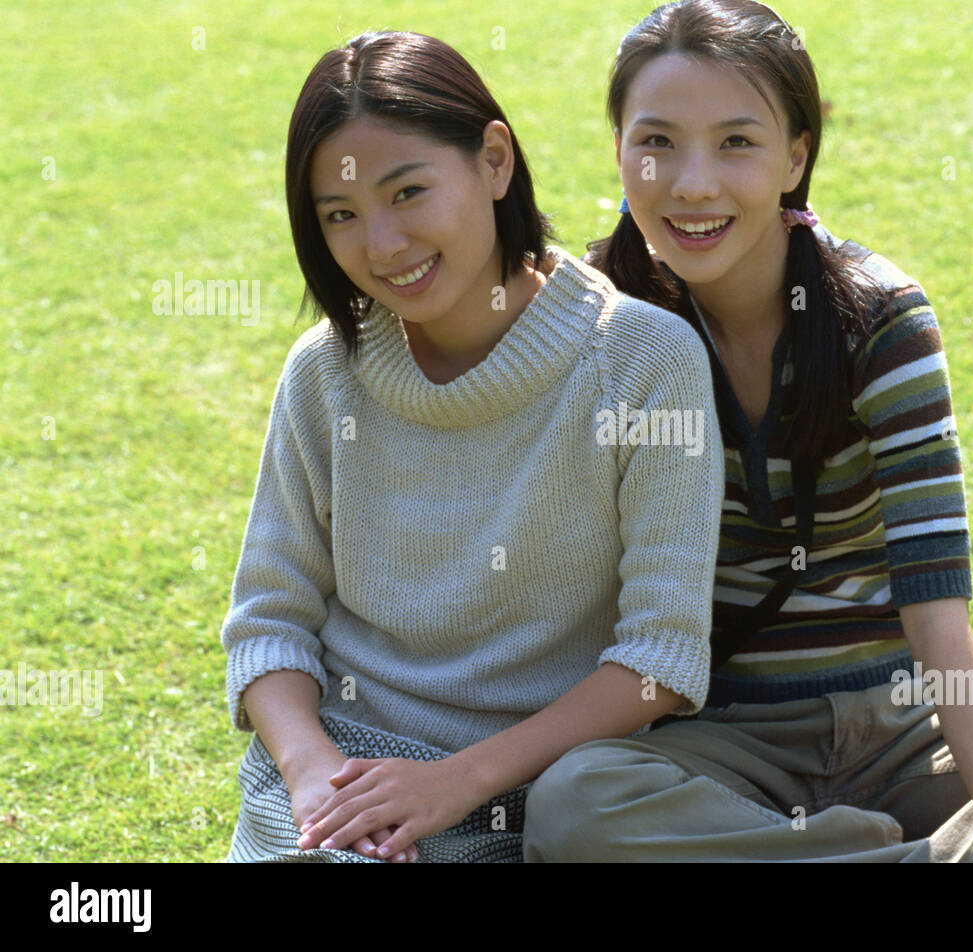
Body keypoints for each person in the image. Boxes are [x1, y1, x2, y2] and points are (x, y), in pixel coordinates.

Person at [521, 0, 973, 862]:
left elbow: (939, 619)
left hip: (900, 731)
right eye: (657, 141)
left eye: (737, 142)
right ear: (617, 150)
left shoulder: (878, 316)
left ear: (796, 157)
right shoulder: (593, 323)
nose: (692, 183)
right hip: (720, 745)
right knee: (574, 805)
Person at [220, 29, 724, 863]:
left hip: (526, 793)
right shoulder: (324, 373)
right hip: (330, 791)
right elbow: (269, 623)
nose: (382, 246)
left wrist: (456, 781)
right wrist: (315, 778)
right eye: (341, 215)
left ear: (495, 161)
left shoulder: (642, 362)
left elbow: (660, 660)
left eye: (408, 192)